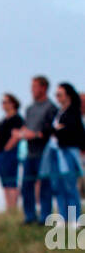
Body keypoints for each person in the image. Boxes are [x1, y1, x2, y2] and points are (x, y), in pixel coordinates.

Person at [12, 75, 57, 225]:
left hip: (44, 153)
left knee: (45, 186)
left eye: (35, 87)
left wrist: (35, 135)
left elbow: (49, 130)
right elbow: (26, 127)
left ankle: (45, 217)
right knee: (26, 187)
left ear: (43, 88)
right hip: (29, 153)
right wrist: (20, 134)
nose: (32, 90)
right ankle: (29, 216)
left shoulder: (51, 107)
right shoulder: (30, 108)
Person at [40, 82, 85, 222]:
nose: (57, 97)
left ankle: (75, 218)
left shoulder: (73, 113)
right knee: (57, 186)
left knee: (70, 186)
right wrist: (56, 130)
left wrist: (58, 131)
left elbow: (71, 132)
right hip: (55, 153)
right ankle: (63, 217)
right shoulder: (58, 113)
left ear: (68, 96)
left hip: (68, 153)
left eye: (60, 94)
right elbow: (48, 130)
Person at [0, 94, 25, 213]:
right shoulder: (4, 119)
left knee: (11, 180)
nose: (4, 104)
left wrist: (8, 148)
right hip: (0, 153)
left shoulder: (17, 119)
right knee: (5, 182)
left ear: (13, 103)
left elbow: (16, 135)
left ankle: (13, 206)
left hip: (9, 153)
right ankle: (9, 207)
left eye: (6, 102)